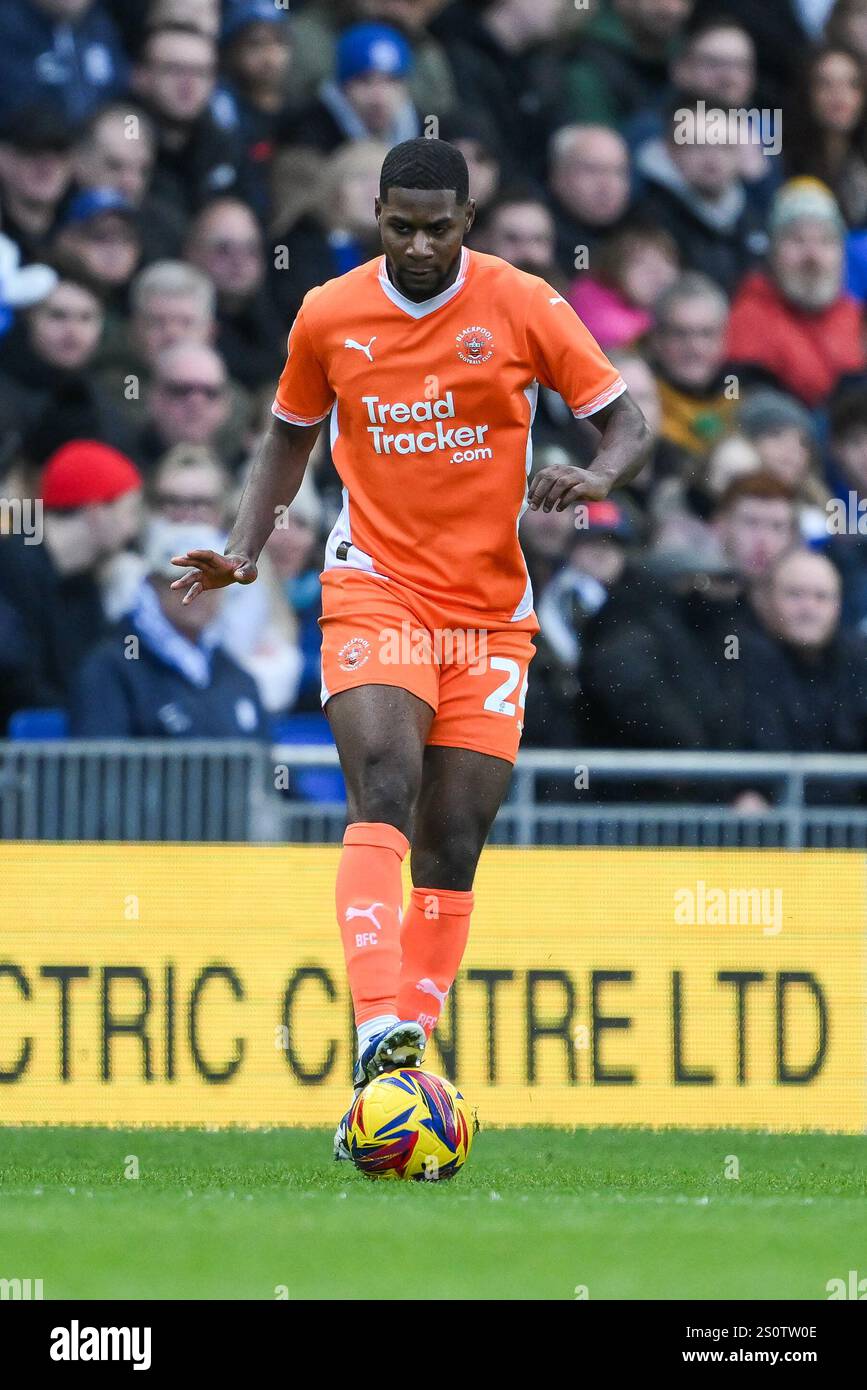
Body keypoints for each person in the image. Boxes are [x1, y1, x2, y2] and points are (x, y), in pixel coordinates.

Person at [170, 137, 649, 1153]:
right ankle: (375, 1022)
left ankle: (405, 1063)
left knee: (455, 839)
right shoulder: (329, 313)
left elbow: (626, 422)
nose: (420, 246)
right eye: (401, 227)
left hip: (491, 613)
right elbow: (289, 435)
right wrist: (245, 549)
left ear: (468, 222)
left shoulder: (523, 302)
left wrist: (600, 478)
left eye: (438, 228)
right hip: (374, 584)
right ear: (376, 217)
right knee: (385, 780)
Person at [70, 518, 266, 738]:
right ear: (153, 583)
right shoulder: (109, 669)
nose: (198, 591)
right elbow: (100, 756)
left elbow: (264, 755)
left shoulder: (237, 677)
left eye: (212, 581)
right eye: (183, 580)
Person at [0, 438, 142, 730]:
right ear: (97, 512)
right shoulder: (12, 570)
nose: (133, 529)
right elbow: (18, 682)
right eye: (130, 512)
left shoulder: (83, 584)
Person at [727, 177, 866, 407]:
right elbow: (738, 402)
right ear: (772, 252)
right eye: (797, 240)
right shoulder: (747, 320)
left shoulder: (856, 317)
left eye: (825, 241)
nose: (813, 257)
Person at [634, 96, 769, 292]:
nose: (712, 158)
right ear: (671, 150)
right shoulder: (648, 221)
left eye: (725, 146)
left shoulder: (755, 216)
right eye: (698, 145)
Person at [184, 196, 284, 389]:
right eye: (223, 249)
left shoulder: (279, 318)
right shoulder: (176, 318)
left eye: (250, 249)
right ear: (192, 252)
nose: (239, 261)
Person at [650, 272, 738, 460]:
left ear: (724, 338)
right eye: (680, 334)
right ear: (657, 339)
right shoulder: (637, 395)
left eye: (706, 334)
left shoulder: (746, 392)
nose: (694, 348)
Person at [547, 124, 633, 279]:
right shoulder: (537, 235)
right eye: (592, 170)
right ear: (558, 175)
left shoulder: (640, 231)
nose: (607, 185)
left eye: (618, 172)